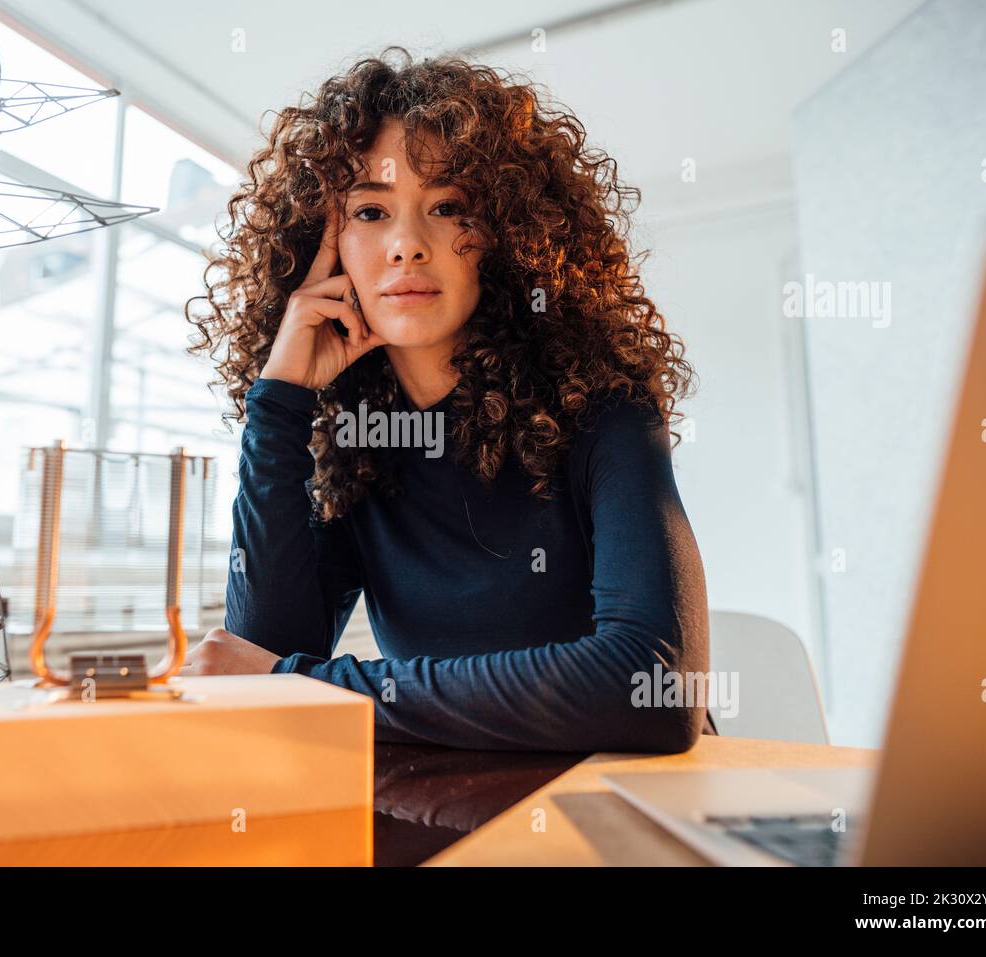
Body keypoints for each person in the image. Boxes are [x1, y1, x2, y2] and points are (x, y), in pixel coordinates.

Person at [183, 48, 713, 752]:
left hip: (624, 806)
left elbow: (654, 687)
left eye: (447, 207)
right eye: (371, 210)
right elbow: (262, 659)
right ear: (324, 243)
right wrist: (278, 405)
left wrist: (313, 688)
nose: (406, 244)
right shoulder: (357, 443)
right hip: (451, 807)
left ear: (501, 235)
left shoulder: (604, 408)